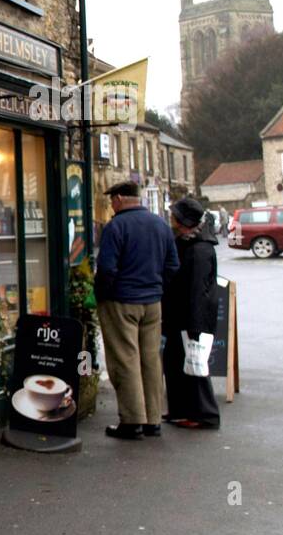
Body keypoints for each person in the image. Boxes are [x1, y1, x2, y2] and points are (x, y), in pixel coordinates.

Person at [94, 181, 180, 440]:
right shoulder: (160, 224)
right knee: (151, 359)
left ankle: (132, 422)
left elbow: (107, 269)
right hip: (152, 302)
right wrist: (156, 287)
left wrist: (104, 294)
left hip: (121, 301)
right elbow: (172, 265)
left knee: (125, 359)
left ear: (119, 198)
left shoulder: (115, 226)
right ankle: (153, 420)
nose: (111, 204)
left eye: (112, 200)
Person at [163, 196, 221, 428]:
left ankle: (205, 415)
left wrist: (196, 326)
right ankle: (180, 410)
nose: (171, 217)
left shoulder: (199, 250)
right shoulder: (189, 242)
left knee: (194, 364)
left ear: (182, 220)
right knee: (175, 362)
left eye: (174, 215)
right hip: (181, 315)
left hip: (191, 318)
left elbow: (199, 290)